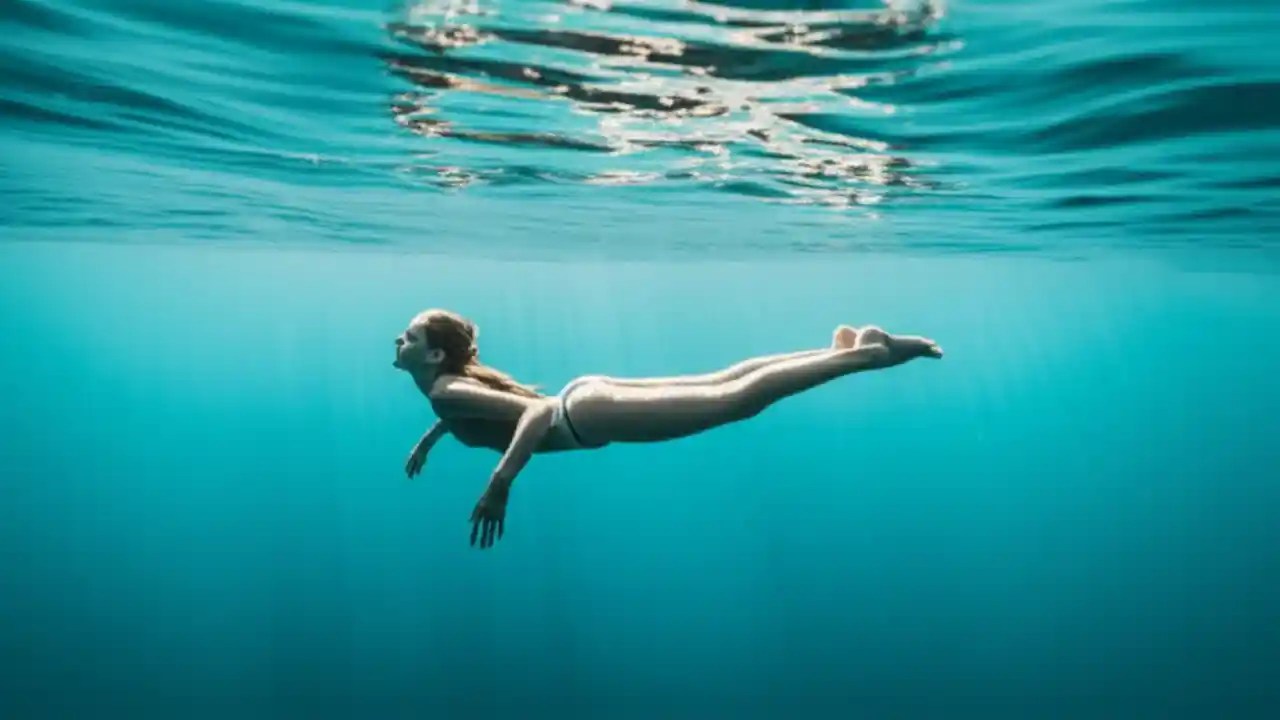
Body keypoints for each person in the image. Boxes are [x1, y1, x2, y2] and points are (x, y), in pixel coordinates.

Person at [394, 308, 943, 549]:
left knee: (735, 401)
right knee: (725, 382)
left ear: (436, 354)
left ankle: (869, 356)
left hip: (585, 416)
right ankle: (837, 351)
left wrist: (500, 485)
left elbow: (533, 415)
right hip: (585, 398)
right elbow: (478, 412)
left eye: (409, 338)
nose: (400, 342)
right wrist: (433, 436)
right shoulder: (447, 395)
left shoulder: (444, 392)